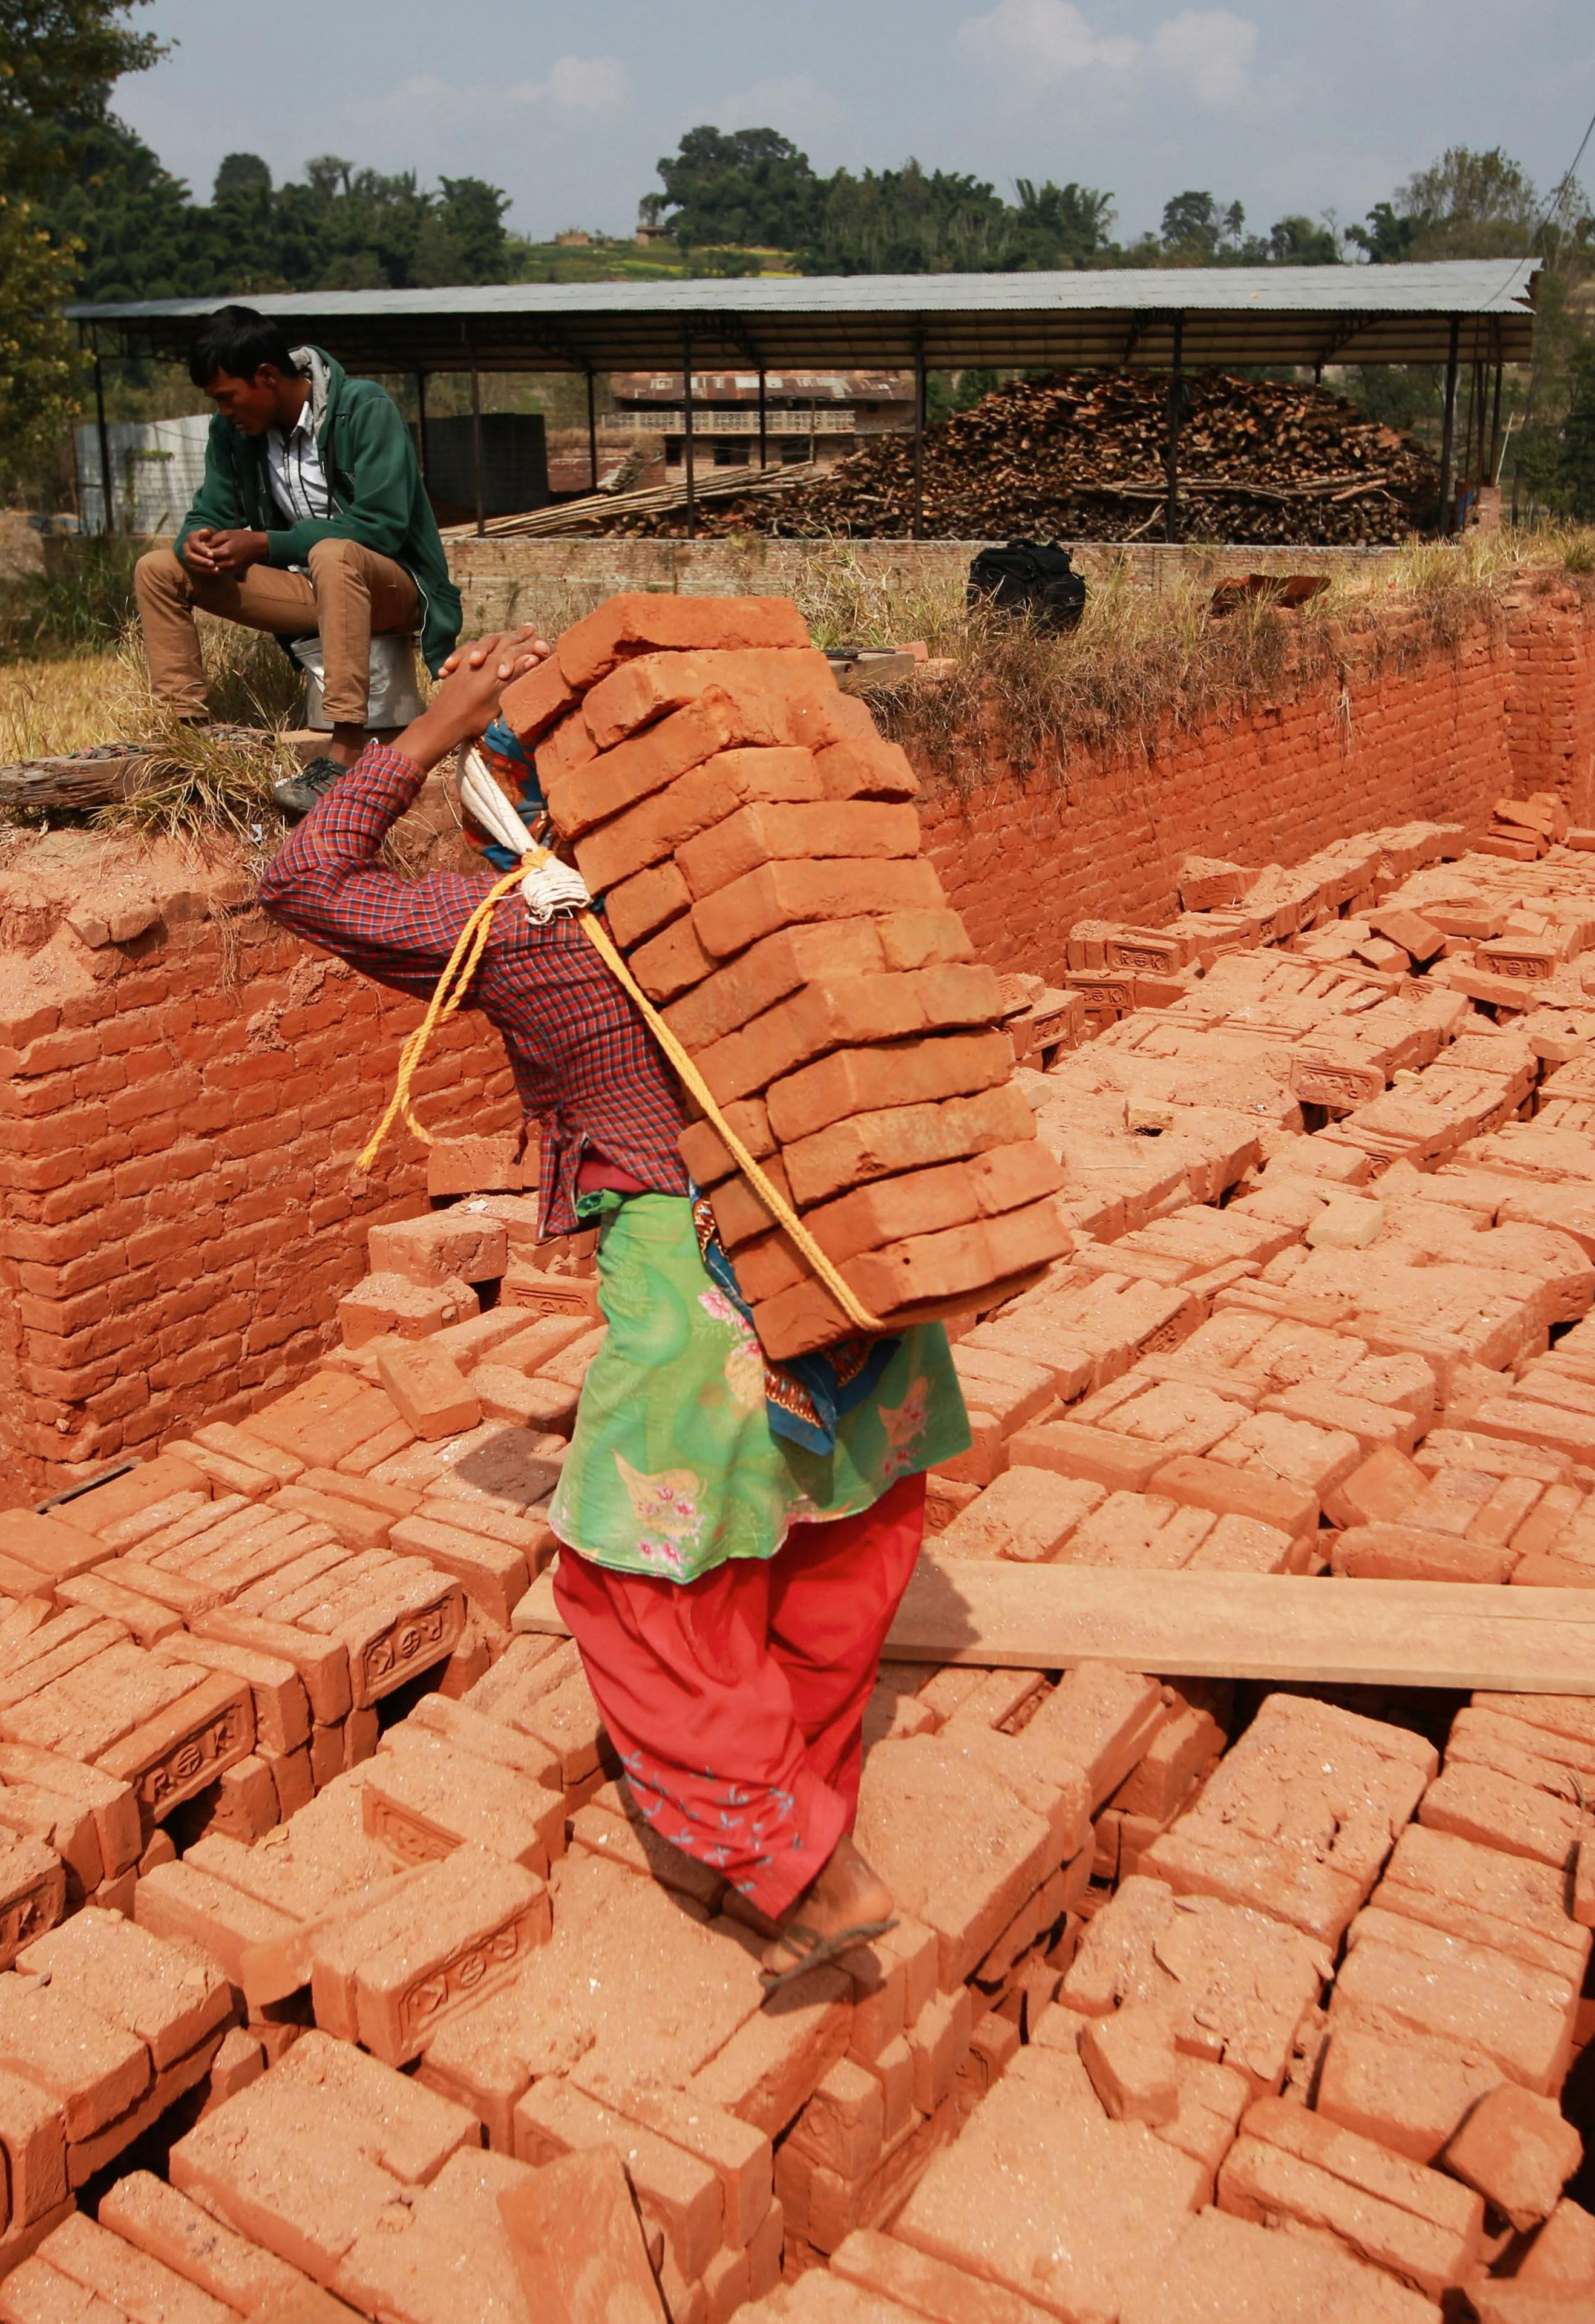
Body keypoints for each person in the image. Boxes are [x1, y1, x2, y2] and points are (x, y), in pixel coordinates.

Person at [257, 628, 971, 1989]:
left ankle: (799, 1864)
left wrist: (421, 730)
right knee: (840, 1545)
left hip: (697, 1295)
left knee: (639, 1585)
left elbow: (301, 881)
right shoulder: (790, 873)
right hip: (848, 1257)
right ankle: (804, 1814)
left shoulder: (528, 925)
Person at [139, 306, 462, 820]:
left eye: (227, 396)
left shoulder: (364, 409)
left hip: (393, 588)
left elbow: (381, 526)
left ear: (267, 377)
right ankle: (184, 737)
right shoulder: (235, 435)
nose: (224, 412)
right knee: (159, 569)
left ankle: (345, 751)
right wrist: (193, 541)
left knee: (332, 554)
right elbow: (211, 509)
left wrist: (265, 544)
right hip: (313, 593)